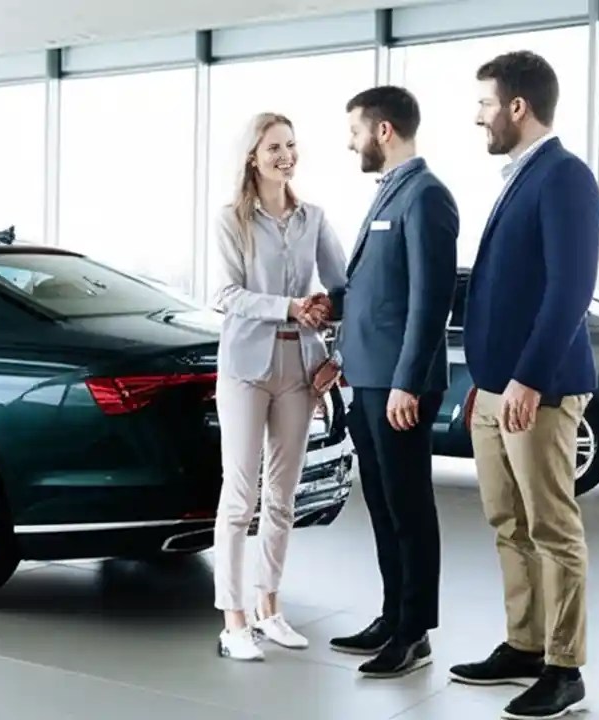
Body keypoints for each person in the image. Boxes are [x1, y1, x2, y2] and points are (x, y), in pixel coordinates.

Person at [450, 50, 599, 720]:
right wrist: (486, 383)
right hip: (497, 389)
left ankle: (565, 669)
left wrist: (528, 380)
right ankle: (524, 644)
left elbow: (570, 290)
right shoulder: (520, 177)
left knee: (551, 525)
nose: (478, 116)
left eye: (485, 104)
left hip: (539, 390)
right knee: (508, 522)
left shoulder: (566, 176)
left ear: (517, 106)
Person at [320, 86, 459, 678]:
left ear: (383, 131)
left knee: (408, 507)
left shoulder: (426, 197)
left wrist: (406, 382)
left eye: (354, 130)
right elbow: (377, 291)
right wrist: (324, 307)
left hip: (399, 387)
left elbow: (432, 302)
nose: (349, 142)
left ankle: (413, 630)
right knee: (380, 503)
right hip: (369, 381)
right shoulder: (391, 195)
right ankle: (390, 614)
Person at [210, 112, 348, 662]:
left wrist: (332, 346)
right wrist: (287, 306)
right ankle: (233, 620)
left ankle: (269, 609)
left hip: (300, 369)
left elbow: (341, 287)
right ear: (253, 156)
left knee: (283, 497)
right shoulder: (231, 220)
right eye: (274, 147)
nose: (285, 155)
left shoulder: (313, 218)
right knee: (240, 496)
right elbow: (224, 294)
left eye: (291, 145)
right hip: (245, 367)